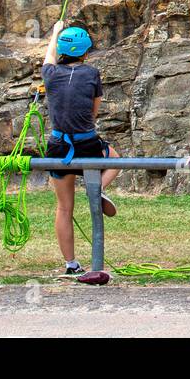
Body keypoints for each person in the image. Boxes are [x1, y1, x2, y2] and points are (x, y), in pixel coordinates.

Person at [43, 21, 120, 276]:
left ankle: (70, 264)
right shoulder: (91, 74)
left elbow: (49, 57)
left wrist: (55, 32)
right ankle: (96, 189)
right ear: (86, 51)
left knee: (64, 208)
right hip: (87, 143)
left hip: (58, 145)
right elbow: (94, 112)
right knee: (115, 159)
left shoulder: (50, 74)